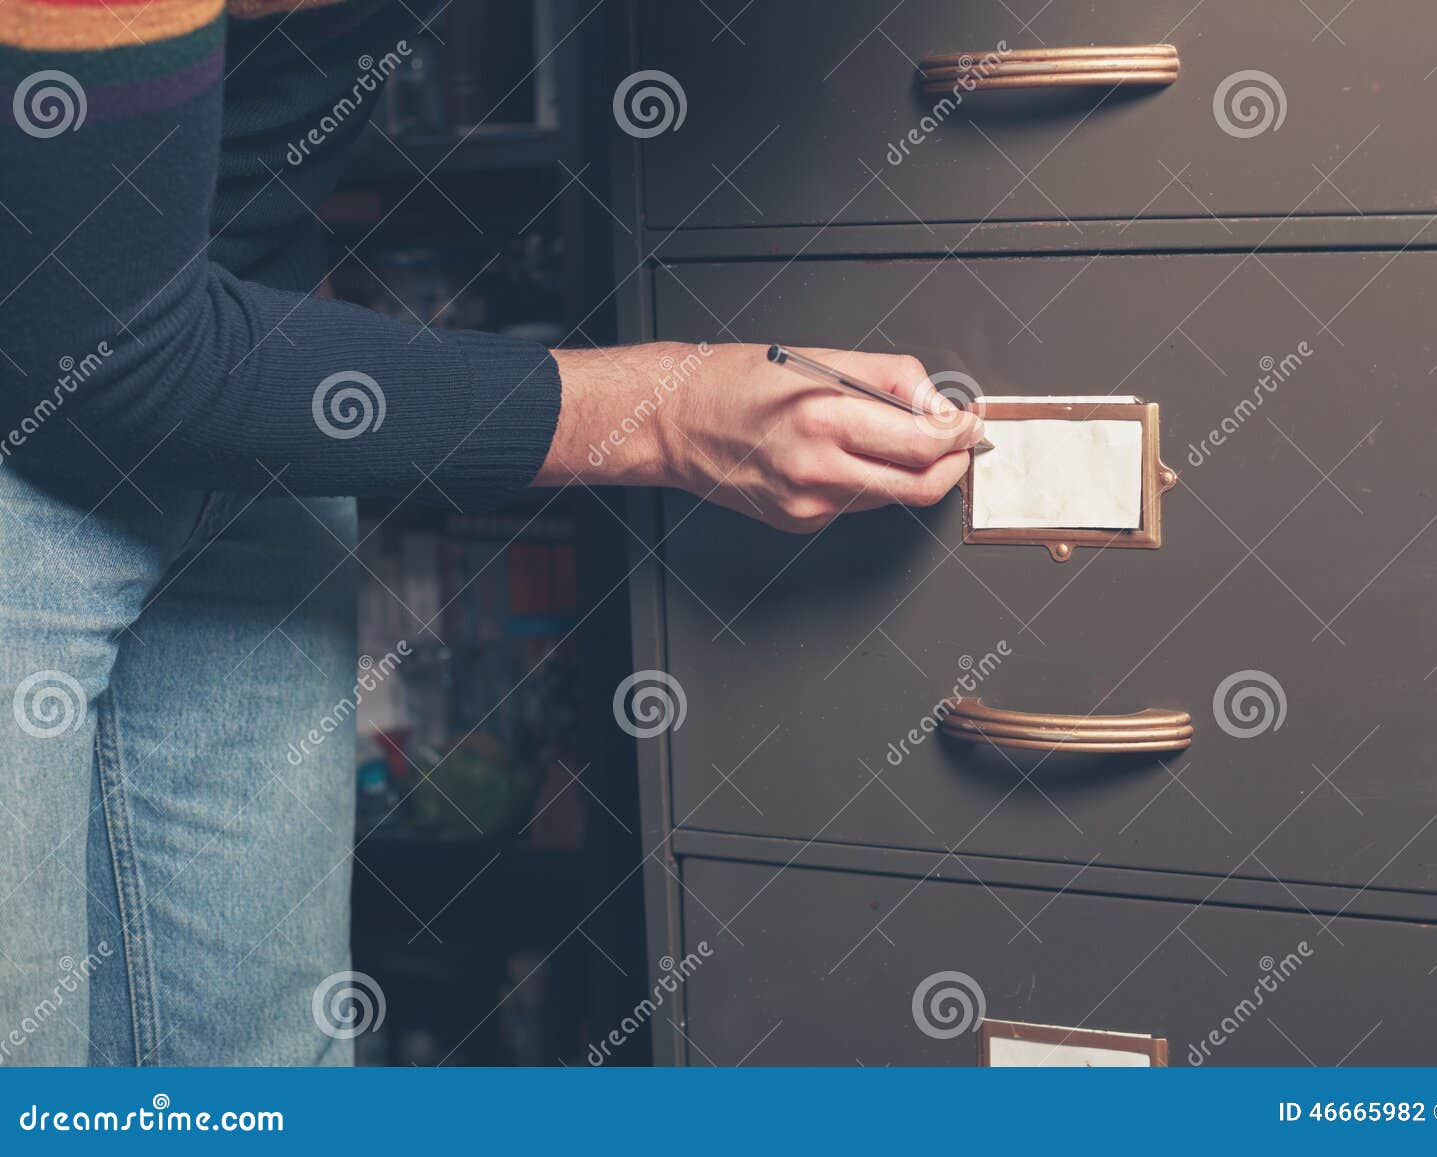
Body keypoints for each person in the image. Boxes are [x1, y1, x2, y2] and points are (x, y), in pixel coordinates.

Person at [0, 1, 983, 1065]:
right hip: (75, 389)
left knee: (263, 1071)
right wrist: (658, 410)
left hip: (232, 383)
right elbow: (100, 357)